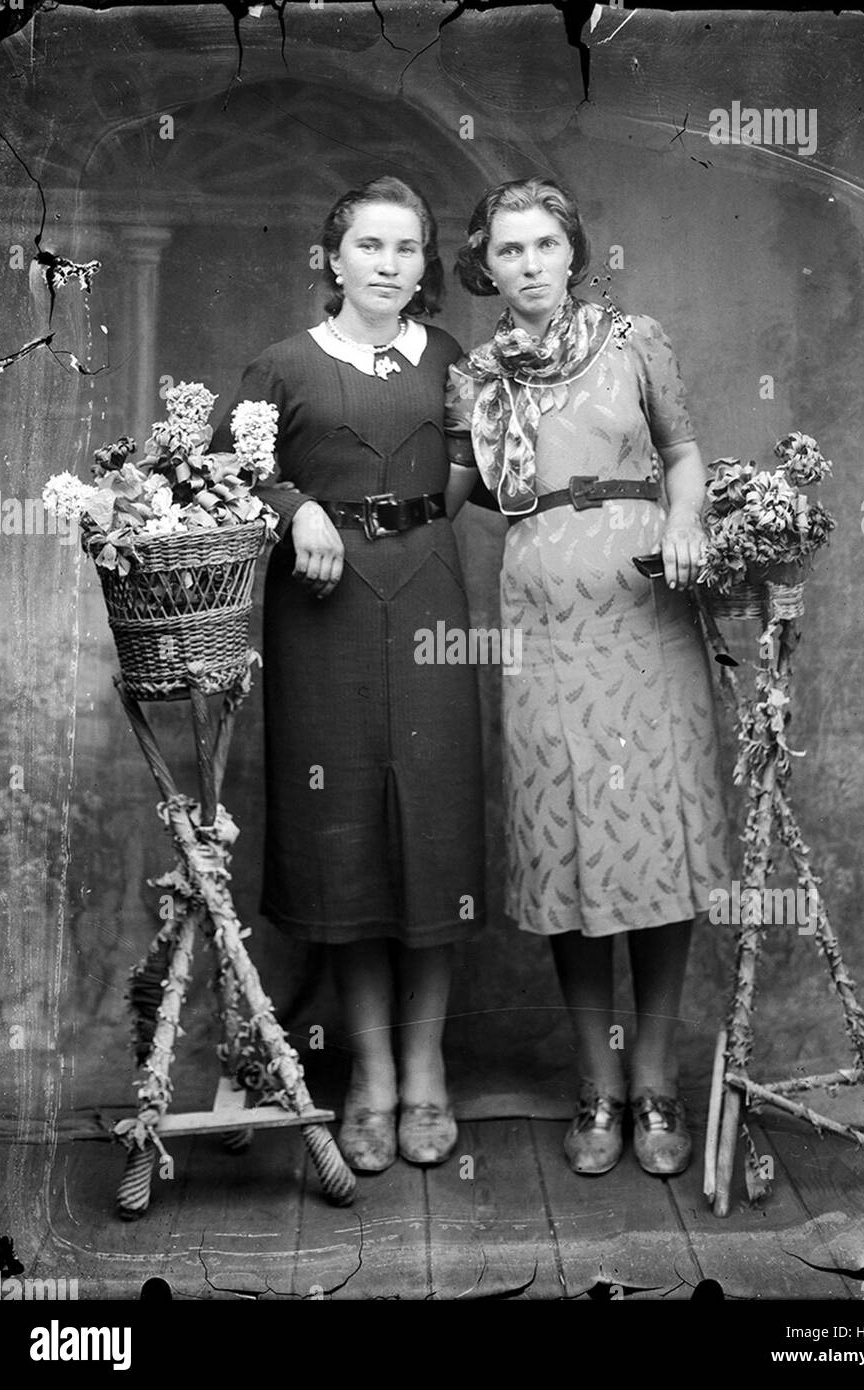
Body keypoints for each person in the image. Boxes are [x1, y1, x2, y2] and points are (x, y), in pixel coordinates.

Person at [444, 178, 730, 1177]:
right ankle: (596, 1086)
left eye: (544, 246)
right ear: (486, 266)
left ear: (573, 253)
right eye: (508, 251)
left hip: (644, 606)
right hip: (537, 616)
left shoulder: (631, 340)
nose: (527, 265)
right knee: (566, 845)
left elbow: (684, 454)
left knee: (652, 836)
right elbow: (452, 490)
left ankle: (654, 1082)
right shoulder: (479, 375)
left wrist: (685, 523)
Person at [210, 175, 485, 1173]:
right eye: (368, 246)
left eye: (406, 249)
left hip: (427, 596)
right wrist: (298, 508)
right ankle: (368, 1078)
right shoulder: (283, 366)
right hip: (319, 612)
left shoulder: (450, 359)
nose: (387, 264)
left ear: (423, 265)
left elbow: (467, 479)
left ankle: (427, 1075)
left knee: (436, 824)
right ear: (331, 259)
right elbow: (223, 471)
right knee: (351, 839)